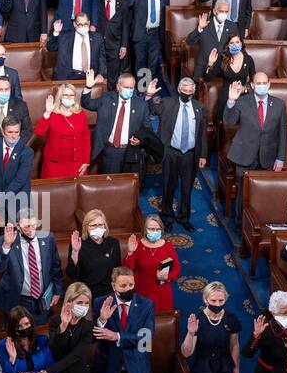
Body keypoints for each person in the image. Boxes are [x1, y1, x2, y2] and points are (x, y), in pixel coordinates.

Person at [224, 75, 287, 218]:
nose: (262, 85)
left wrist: (280, 158)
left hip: (268, 157)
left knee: (263, 193)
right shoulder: (242, 102)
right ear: (252, 85)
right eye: (259, 83)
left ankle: (257, 222)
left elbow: (282, 133)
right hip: (244, 155)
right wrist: (231, 101)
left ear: (269, 84)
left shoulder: (279, 104)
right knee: (243, 192)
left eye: (265, 83)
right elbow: (228, 121)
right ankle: (240, 224)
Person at [152, 76, 207, 231]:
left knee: (187, 188)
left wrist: (202, 155)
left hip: (190, 154)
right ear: (179, 90)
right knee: (168, 186)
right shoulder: (168, 103)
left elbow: (202, 134)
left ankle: (184, 217)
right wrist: (149, 96)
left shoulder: (200, 107)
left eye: (190, 91)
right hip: (171, 152)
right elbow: (153, 108)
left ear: (194, 92)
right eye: (184, 90)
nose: (187, 93)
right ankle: (167, 217)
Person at [0, 212, 63, 324]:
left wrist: (57, 291)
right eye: (26, 226)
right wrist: (6, 246)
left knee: (38, 333)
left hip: (41, 299)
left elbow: (56, 266)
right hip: (17, 299)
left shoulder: (48, 237)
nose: (31, 230)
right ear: (18, 226)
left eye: (33, 225)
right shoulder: (6, 240)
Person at [83, 70, 148, 176]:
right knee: (110, 187)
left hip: (130, 152)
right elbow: (86, 103)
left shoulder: (141, 105)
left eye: (131, 88)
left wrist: (140, 140)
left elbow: (147, 128)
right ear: (118, 87)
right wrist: (88, 87)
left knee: (129, 188)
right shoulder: (106, 99)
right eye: (126, 87)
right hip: (110, 152)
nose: (129, 90)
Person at [124, 214, 181, 313]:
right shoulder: (137, 245)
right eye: (151, 229)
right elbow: (127, 270)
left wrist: (167, 277)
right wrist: (130, 252)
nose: (154, 231)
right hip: (142, 290)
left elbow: (176, 269)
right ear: (145, 230)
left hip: (162, 291)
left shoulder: (168, 246)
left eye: (157, 229)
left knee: (162, 321)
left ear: (161, 230)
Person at [33, 84, 91, 178]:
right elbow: (39, 132)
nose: (69, 98)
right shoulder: (52, 113)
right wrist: (47, 113)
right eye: (65, 95)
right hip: (54, 163)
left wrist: (86, 161)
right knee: (53, 191)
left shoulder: (81, 114)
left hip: (76, 163)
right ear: (60, 97)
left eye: (71, 95)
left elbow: (86, 139)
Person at [67, 209, 122, 301]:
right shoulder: (79, 243)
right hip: (87, 293)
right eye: (93, 225)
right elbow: (71, 274)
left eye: (100, 225)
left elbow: (118, 269)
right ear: (86, 227)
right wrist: (75, 252)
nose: (97, 228)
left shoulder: (113, 243)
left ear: (105, 226)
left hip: (109, 291)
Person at [46, 12, 103, 81]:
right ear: (74, 24)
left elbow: (102, 58)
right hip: (68, 76)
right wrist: (56, 32)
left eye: (85, 24)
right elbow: (50, 47)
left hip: (90, 76)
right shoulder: (65, 37)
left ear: (89, 23)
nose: (83, 27)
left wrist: (101, 74)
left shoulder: (97, 38)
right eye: (80, 25)